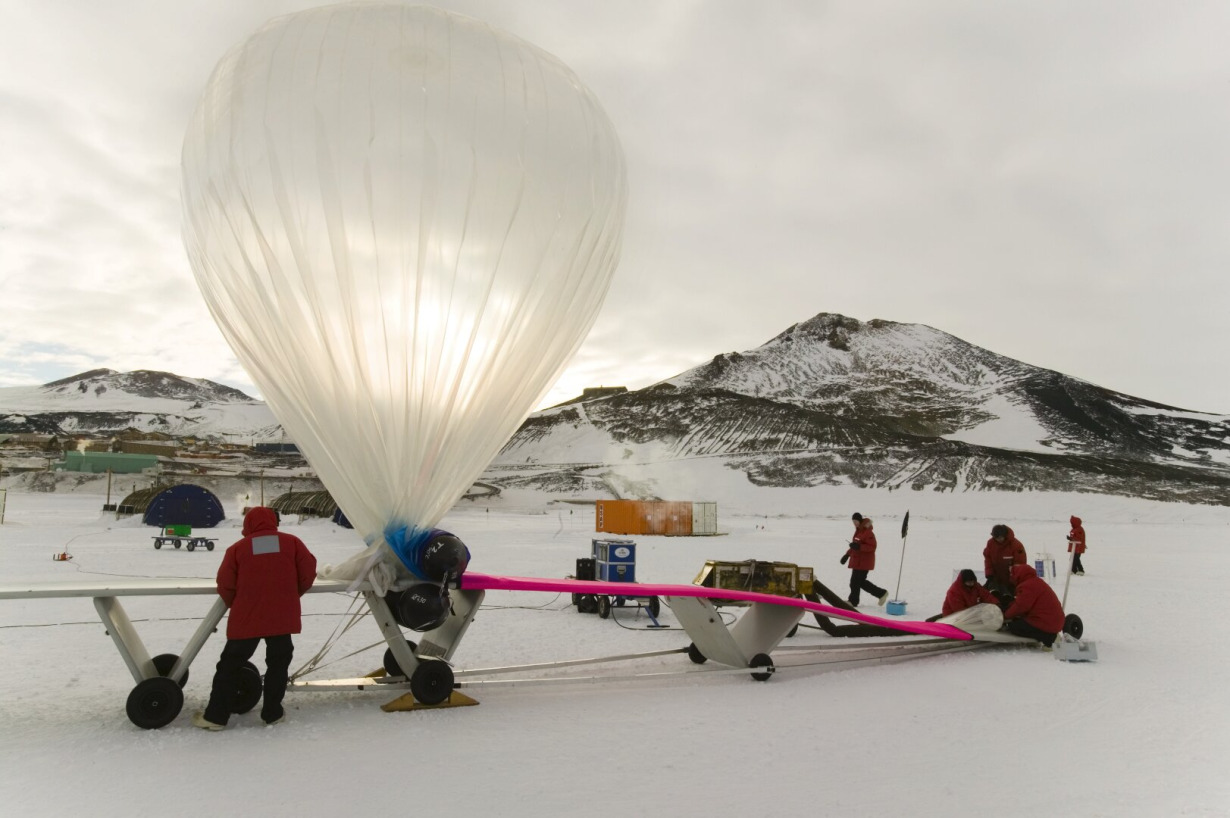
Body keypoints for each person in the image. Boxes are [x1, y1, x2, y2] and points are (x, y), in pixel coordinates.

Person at [193, 506, 317, 730]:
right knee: (278, 666)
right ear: (273, 521)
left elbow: (225, 584)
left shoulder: (237, 549)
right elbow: (308, 574)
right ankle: (272, 713)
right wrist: (289, 595)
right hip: (281, 618)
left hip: (247, 618)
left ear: (248, 524)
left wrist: (240, 604)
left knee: (229, 667)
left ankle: (215, 718)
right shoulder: (293, 543)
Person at [1002, 563, 1064, 648]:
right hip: (1053, 621)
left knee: (1014, 627)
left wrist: (1005, 615)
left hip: (1047, 623)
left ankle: (1051, 639)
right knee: (1019, 622)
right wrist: (1010, 607)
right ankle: (1045, 636)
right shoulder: (1035, 582)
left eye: (1012, 575)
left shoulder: (1027, 586)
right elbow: (1021, 603)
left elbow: (1021, 606)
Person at [842, 515, 888, 607]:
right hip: (857, 561)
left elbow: (872, 547)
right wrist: (847, 555)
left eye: (856, 521)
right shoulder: (858, 531)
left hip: (864, 562)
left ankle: (853, 601)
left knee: (855, 582)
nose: (854, 523)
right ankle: (881, 593)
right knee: (860, 582)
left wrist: (859, 547)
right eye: (853, 521)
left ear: (860, 520)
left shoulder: (868, 533)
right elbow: (855, 545)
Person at [926, 568, 999, 621]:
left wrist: (996, 603)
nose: (971, 584)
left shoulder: (976, 586)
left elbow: (986, 595)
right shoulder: (954, 591)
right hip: (954, 615)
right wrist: (976, 614)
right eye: (969, 582)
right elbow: (959, 610)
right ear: (963, 581)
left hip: (970, 611)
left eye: (972, 582)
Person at [983, 524, 1027, 600]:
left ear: (1005, 535)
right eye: (997, 538)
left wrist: (1013, 580)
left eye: (1001, 537)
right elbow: (988, 558)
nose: (999, 539)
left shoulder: (1016, 545)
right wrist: (989, 574)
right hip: (996, 577)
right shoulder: (990, 543)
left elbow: (1019, 565)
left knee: (1009, 598)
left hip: (1011, 579)